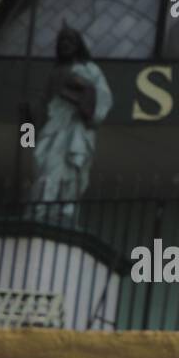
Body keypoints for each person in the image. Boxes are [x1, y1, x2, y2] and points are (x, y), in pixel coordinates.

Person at [18, 25, 112, 227]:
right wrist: (28, 115)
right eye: (61, 42)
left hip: (75, 127)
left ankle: (64, 210)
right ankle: (41, 209)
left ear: (78, 46)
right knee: (45, 165)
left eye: (70, 41)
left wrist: (84, 98)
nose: (65, 45)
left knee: (69, 169)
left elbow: (103, 97)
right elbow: (43, 105)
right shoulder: (54, 73)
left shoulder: (89, 69)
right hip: (53, 127)